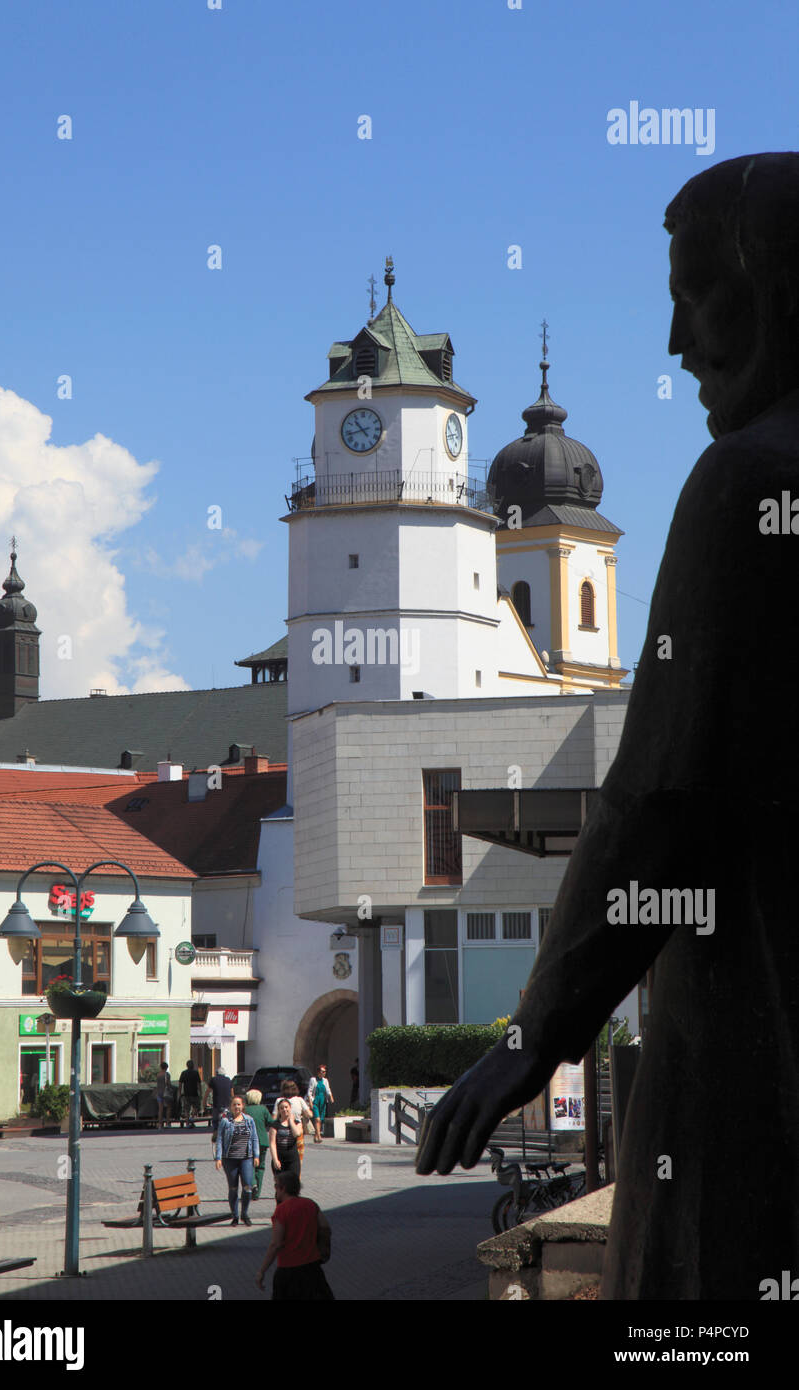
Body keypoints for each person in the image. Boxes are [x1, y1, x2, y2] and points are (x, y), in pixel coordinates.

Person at [417, 152, 799, 1301]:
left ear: (774, 286)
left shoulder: (746, 484)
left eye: (695, 292)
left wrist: (534, 1036)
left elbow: (655, 805)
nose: (676, 341)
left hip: (754, 1054)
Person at [255, 1170, 334, 1300]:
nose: (275, 1190)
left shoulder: (281, 1210)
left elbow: (276, 1244)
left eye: (276, 1186)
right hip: (312, 1267)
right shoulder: (310, 1204)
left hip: (289, 1269)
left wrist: (262, 1271)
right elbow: (325, 1227)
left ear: (283, 1188)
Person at [215, 1093, 259, 1226]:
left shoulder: (249, 1120)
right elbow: (219, 1139)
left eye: (239, 1104)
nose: (236, 1107)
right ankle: (235, 1215)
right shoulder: (225, 1121)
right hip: (230, 1159)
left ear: (243, 1106)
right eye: (234, 1104)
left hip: (246, 1158)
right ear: (230, 1106)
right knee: (233, 1188)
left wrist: (256, 1155)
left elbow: (255, 1138)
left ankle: (244, 1214)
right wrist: (218, 1158)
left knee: (247, 1186)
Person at [273, 1079, 312, 1166]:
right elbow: (309, 1114)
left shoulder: (279, 1101)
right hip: (297, 1129)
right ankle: (297, 1176)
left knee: (282, 1158)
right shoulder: (299, 1100)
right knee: (298, 1157)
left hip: (282, 1132)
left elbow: (274, 1118)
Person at [244, 1088, 274, 1199]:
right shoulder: (263, 1109)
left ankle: (253, 1184)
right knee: (260, 1167)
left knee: (249, 1164)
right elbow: (271, 1122)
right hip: (262, 1141)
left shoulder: (245, 1110)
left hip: (248, 1141)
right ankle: (257, 1194)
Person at [268, 1096, 302, 1178]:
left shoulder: (297, 1123)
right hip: (280, 1159)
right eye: (281, 1108)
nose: (284, 1110)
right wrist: (275, 1159)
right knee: (281, 1186)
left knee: (293, 1185)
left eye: (286, 1107)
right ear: (279, 1110)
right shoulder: (275, 1125)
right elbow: (272, 1144)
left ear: (290, 1108)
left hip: (293, 1160)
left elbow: (297, 1134)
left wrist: (291, 1121)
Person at [307, 1065, 334, 1143]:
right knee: (317, 1119)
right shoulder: (313, 1080)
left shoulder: (325, 1081)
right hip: (315, 1101)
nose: (324, 1073)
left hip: (323, 1102)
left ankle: (316, 1135)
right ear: (318, 1072)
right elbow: (309, 1092)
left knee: (320, 1120)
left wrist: (331, 1097)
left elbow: (328, 1090)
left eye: (325, 1071)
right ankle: (319, 1136)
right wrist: (311, 1102)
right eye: (322, 1071)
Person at [207, 1067, 233, 1147]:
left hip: (217, 1105)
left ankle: (215, 1135)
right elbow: (232, 1093)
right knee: (229, 1122)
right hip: (227, 1105)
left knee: (215, 1122)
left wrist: (204, 1102)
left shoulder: (213, 1080)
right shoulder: (229, 1080)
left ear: (216, 1073)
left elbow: (207, 1092)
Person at [178, 1059, 202, 1130]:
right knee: (196, 1106)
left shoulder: (184, 1073)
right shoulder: (196, 1073)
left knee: (186, 1109)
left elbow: (180, 1084)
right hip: (194, 1093)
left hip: (186, 1093)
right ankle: (192, 1118)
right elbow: (199, 1084)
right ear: (193, 1066)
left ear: (187, 1066)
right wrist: (200, 1092)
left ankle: (187, 1123)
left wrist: (179, 1093)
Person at [156, 1060, 174, 1129]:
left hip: (159, 1093)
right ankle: (167, 1123)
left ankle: (160, 1124)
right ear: (166, 1067)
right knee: (168, 1108)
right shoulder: (167, 1074)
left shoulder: (158, 1074)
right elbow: (168, 1083)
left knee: (160, 1109)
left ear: (161, 1067)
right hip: (166, 1093)